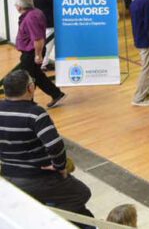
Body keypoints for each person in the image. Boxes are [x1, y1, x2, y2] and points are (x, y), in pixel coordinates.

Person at [0, 70, 92, 218]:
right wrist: (59, 166)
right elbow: (55, 145)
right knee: (81, 193)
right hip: (36, 177)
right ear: (30, 88)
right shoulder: (35, 113)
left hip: (7, 175)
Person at [11, 0, 64, 108]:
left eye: (16, 5)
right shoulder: (35, 12)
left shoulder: (31, 17)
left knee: (27, 78)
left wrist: (38, 55)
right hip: (32, 52)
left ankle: (29, 103)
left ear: (20, 7)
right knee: (37, 75)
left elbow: (38, 39)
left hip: (31, 53)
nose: (15, 7)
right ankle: (56, 94)